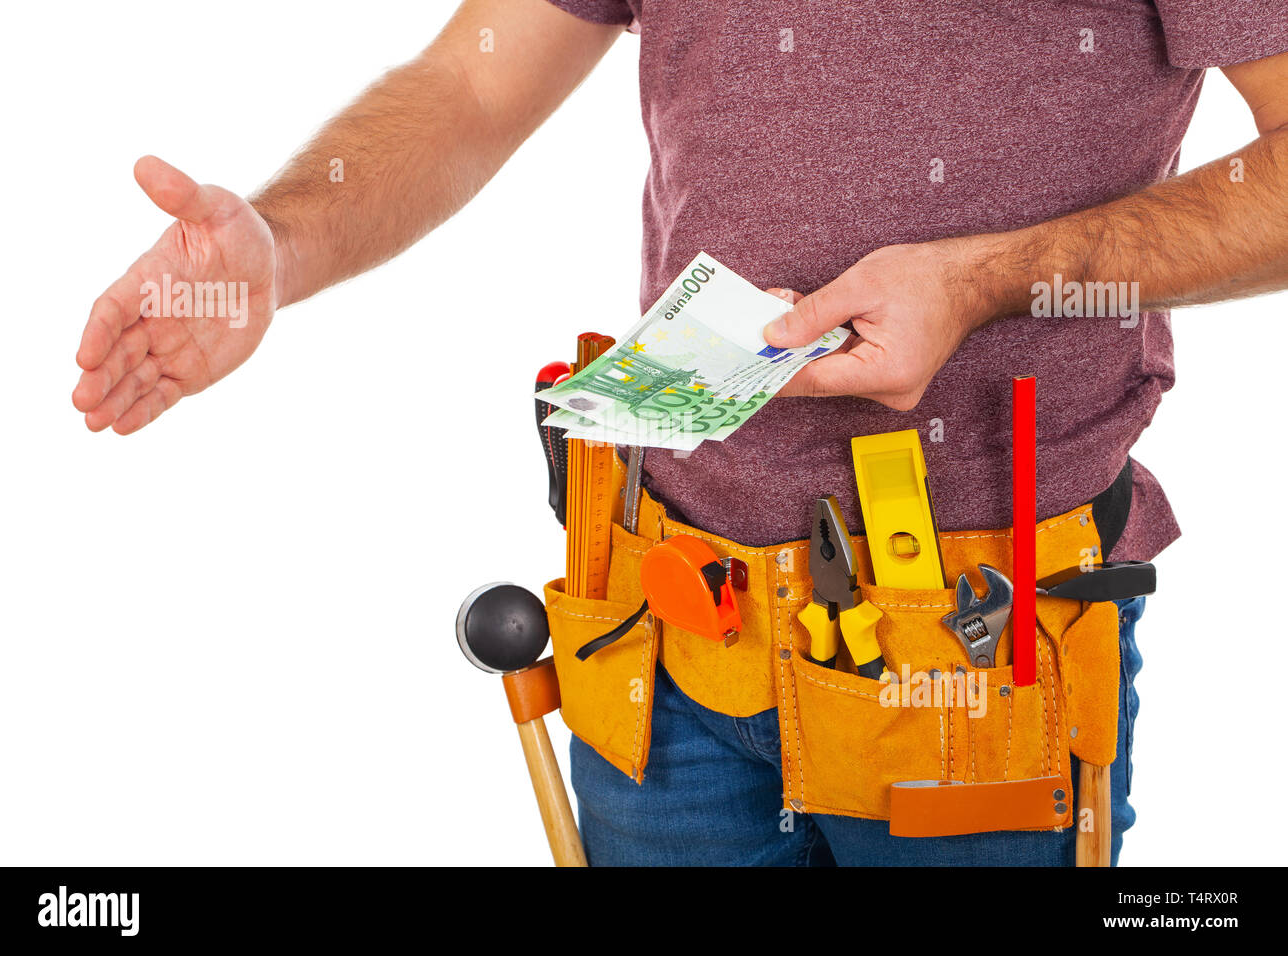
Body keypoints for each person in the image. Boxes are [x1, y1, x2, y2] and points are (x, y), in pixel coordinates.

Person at [73, 0, 1288, 865]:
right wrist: (282, 244)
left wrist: (984, 279)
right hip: (663, 628)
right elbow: (474, 80)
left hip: (977, 651)